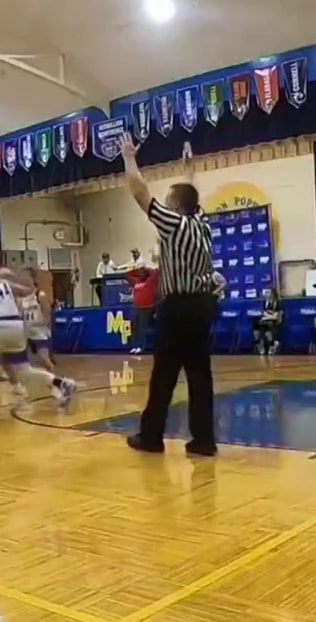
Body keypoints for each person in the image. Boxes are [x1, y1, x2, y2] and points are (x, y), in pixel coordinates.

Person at [119, 134, 217, 456]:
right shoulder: (202, 224)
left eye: (170, 198)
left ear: (175, 206)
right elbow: (191, 196)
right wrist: (189, 169)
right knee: (200, 376)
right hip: (202, 306)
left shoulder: (173, 224)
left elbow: (139, 192)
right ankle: (204, 440)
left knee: (163, 376)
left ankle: (151, 437)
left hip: (178, 309)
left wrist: (129, 158)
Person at [0, 249, 76, 419]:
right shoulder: (6, 283)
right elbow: (28, 290)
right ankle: (62, 382)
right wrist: (13, 273)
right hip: (16, 327)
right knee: (23, 370)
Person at [21, 269, 56, 371]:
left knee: (44, 359)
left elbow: (47, 313)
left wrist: (46, 328)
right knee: (25, 363)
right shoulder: (22, 298)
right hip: (27, 332)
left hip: (40, 332)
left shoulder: (40, 295)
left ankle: (58, 381)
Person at [126, 266, 159, 355]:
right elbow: (127, 274)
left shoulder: (151, 281)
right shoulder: (136, 282)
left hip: (147, 308)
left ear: (146, 274)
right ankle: (134, 346)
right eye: (140, 273)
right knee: (134, 328)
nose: (141, 274)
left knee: (142, 328)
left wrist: (148, 269)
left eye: (143, 272)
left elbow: (155, 273)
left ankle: (141, 347)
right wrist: (137, 269)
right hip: (137, 307)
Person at [252, 287, 284, 355]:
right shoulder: (265, 302)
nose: (266, 294)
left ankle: (272, 344)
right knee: (256, 324)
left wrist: (267, 317)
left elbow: (276, 316)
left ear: (272, 293)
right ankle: (259, 344)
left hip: (274, 321)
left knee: (268, 325)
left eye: (268, 292)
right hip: (266, 319)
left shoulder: (278, 302)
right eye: (266, 292)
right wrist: (266, 316)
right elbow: (264, 312)